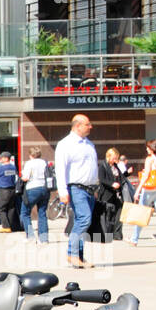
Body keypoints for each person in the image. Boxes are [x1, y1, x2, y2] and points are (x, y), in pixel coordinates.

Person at [55, 114, 100, 268]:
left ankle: (79, 256)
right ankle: (72, 254)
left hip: (89, 189)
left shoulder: (89, 144)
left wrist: (95, 186)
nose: (91, 127)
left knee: (84, 222)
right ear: (78, 126)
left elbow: (92, 168)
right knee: (84, 219)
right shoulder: (65, 144)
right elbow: (60, 169)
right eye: (88, 124)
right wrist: (62, 191)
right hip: (75, 188)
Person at [129, 140, 156, 246]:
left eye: (148, 148)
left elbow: (146, 176)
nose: (146, 149)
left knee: (141, 214)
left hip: (148, 190)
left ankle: (134, 239)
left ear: (152, 149)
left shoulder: (149, 159)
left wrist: (138, 190)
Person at [16, 148, 50, 244]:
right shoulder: (44, 162)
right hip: (45, 188)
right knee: (42, 213)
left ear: (30, 155)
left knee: (25, 212)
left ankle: (30, 236)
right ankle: (44, 239)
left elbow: (26, 177)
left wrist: (20, 178)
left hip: (32, 189)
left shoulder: (29, 163)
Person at [95, 148, 125, 243]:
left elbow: (121, 177)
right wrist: (112, 184)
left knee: (119, 212)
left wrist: (127, 173)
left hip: (116, 194)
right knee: (107, 214)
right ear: (109, 156)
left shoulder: (115, 166)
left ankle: (117, 234)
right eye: (114, 158)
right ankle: (105, 234)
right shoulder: (103, 166)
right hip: (107, 193)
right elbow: (102, 179)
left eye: (116, 158)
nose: (115, 160)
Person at [0, 151, 18, 232]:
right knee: (11, 208)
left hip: (4, 190)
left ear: (6, 159)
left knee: (1, 208)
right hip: (12, 190)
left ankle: (5, 226)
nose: (0, 159)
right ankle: (10, 226)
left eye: (2, 157)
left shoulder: (2, 168)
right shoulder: (13, 167)